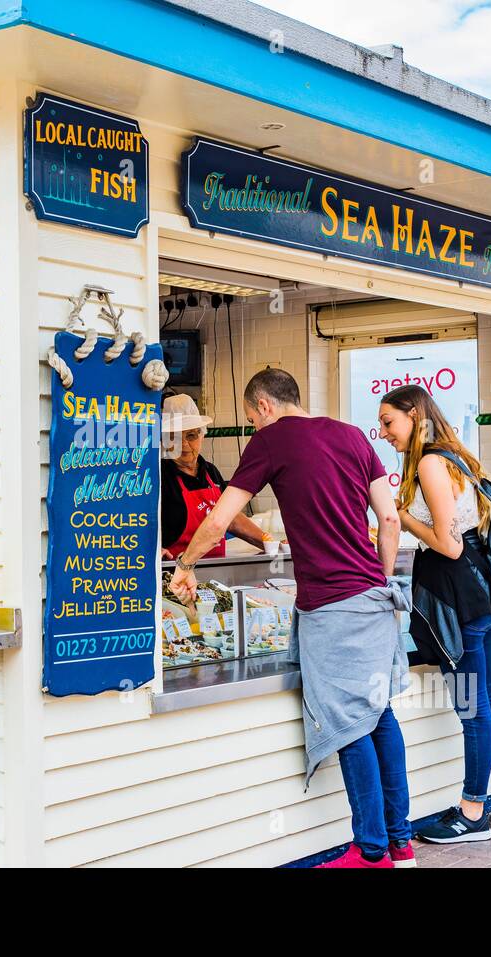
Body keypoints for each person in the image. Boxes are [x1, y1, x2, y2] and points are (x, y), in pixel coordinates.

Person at [169, 368, 414, 869]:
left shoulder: (271, 441)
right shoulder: (350, 435)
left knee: (348, 725)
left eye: (250, 418)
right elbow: (388, 519)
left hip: (332, 606)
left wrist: (185, 566)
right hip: (375, 599)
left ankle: (371, 854)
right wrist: (378, 580)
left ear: (262, 406)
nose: (254, 427)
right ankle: (400, 845)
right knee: (379, 714)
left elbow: (218, 518)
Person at [377, 384, 491, 843]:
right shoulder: (454, 455)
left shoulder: (428, 462)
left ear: (413, 415)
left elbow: (448, 543)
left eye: (389, 422)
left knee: (473, 707)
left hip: (460, 599)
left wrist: (402, 520)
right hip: (479, 595)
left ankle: (471, 813)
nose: (383, 433)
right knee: (490, 697)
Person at [159, 393, 268, 560]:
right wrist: (153, 551)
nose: (184, 445)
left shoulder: (211, 472)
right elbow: (140, 523)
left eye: (191, 436)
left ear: (202, 435)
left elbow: (230, 517)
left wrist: (269, 543)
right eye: (174, 437)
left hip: (215, 571)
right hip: (175, 574)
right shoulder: (159, 475)